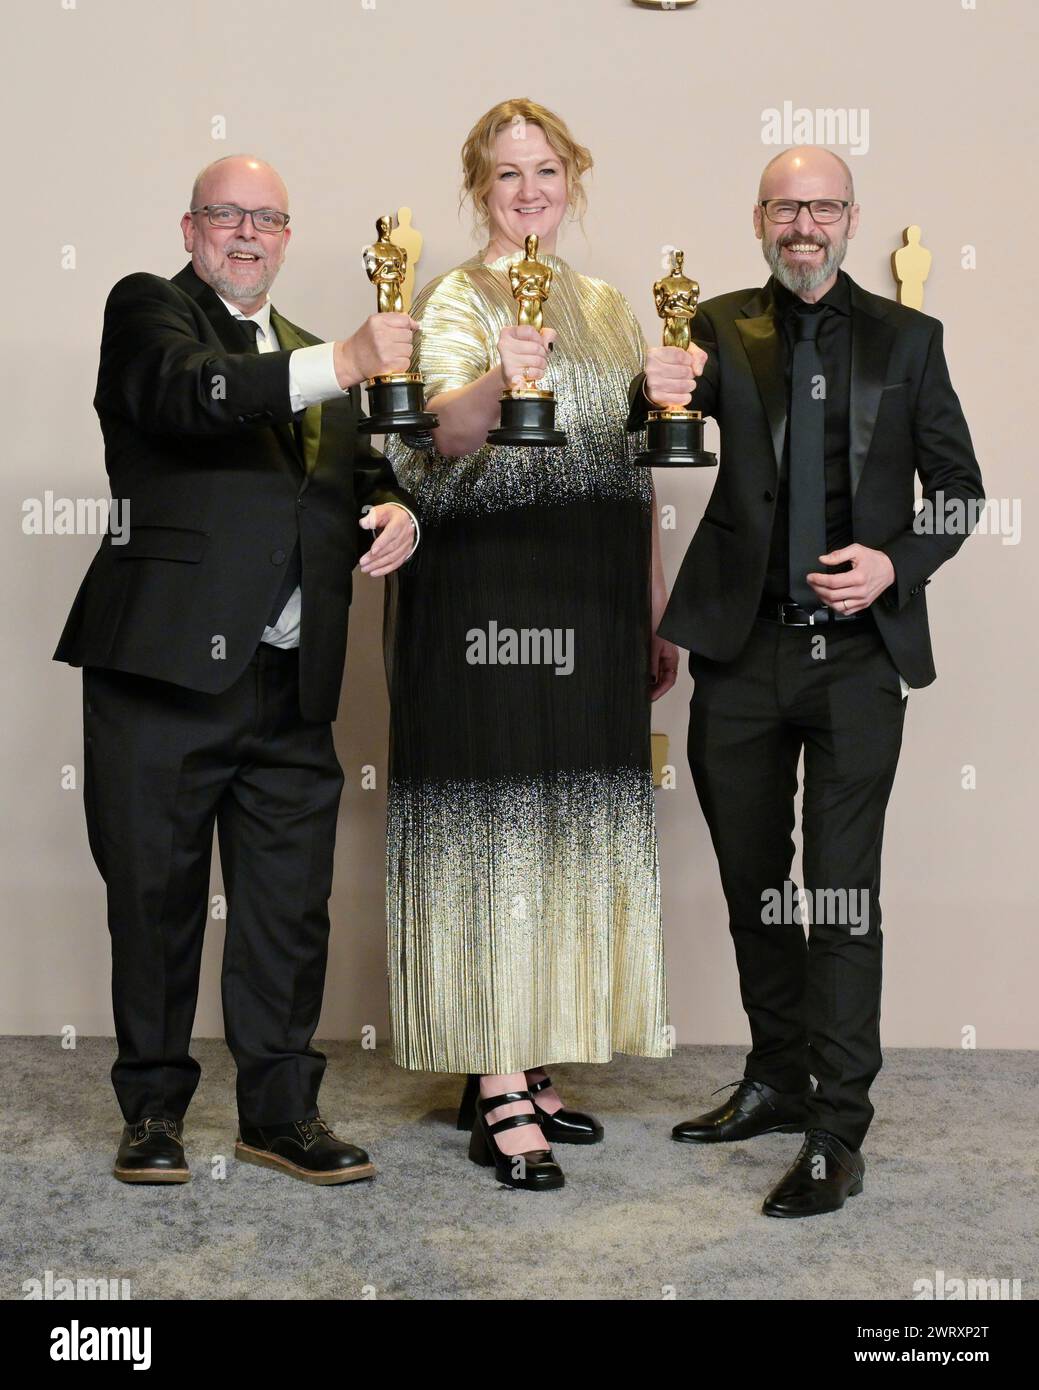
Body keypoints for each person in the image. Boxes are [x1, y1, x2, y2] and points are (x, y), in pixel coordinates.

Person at [629, 146, 984, 1217]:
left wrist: (894, 564)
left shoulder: (907, 340)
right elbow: (642, 436)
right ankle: (777, 1076)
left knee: (838, 894)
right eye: (787, 207)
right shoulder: (713, 323)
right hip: (741, 652)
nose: (805, 224)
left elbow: (961, 492)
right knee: (752, 883)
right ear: (758, 219)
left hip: (859, 657)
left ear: (850, 218)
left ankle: (837, 1126)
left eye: (823, 206)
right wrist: (648, 396)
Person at [55, 154, 420, 1186]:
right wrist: (343, 361)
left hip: (291, 686)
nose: (247, 233)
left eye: (267, 218)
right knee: (157, 900)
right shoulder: (150, 315)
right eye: (226, 215)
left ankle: (279, 1114)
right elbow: (191, 397)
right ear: (189, 228)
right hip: (162, 676)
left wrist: (397, 509)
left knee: (288, 910)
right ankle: (154, 1115)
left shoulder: (316, 356)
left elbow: (362, 477)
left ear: (288, 236)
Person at [383, 99, 677, 1191]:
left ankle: (530, 1052)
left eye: (544, 169)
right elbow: (431, 440)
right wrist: (498, 378)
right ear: (479, 188)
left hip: (593, 600)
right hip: (485, 603)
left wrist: (651, 607)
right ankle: (495, 1079)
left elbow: (632, 466)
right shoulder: (451, 295)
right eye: (505, 176)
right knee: (497, 824)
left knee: (565, 818)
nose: (527, 190)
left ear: (572, 176)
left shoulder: (607, 308)